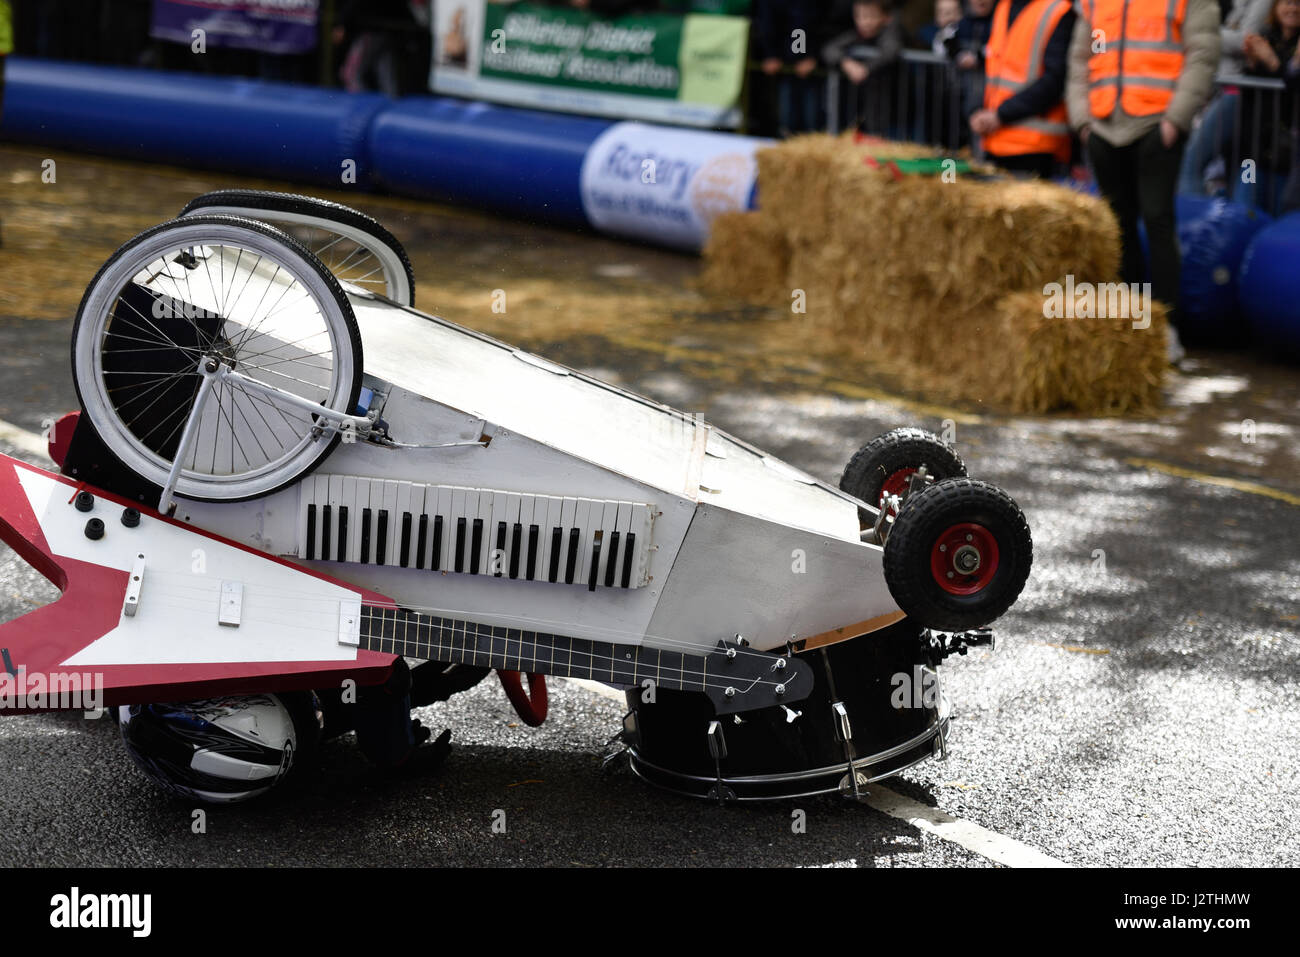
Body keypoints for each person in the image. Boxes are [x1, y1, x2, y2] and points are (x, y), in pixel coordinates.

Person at [1067, 0, 1221, 350]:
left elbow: (1203, 52)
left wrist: (1176, 119)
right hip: (1104, 126)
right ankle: (1127, 322)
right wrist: (1083, 120)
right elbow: (1079, 58)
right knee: (1117, 224)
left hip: (1156, 125)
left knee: (1157, 220)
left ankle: (1165, 328)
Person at [968, 0, 1076, 177]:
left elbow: (1055, 81)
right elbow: (992, 69)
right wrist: (974, 109)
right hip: (995, 139)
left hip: (1035, 146)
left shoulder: (1058, 11)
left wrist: (1001, 114)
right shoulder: (1004, 6)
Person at [1179, 0, 1273, 193]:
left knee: (1192, 162)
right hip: (1217, 91)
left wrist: (1202, 34)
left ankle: (1197, 222)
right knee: (1225, 172)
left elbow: (1245, 40)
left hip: (1238, 95)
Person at [1232, 0, 1300, 211]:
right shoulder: (1265, 39)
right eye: (1287, 3)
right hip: (1252, 152)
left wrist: (1272, 62)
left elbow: (1292, 91)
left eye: (1298, 4)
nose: (1293, 9)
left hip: (1284, 153)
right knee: (1245, 206)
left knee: (1277, 211)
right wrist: (1253, 63)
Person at [823, 0, 906, 131]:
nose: (865, 22)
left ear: (886, 18)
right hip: (865, 102)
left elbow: (891, 51)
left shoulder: (891, 33)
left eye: (871, 16)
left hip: (896, 102)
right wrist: (847, 63)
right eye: (860, 16)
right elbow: (830, 49)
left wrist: (866, 68)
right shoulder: (855, 35)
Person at [753, 0, 826, 136]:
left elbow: (821, 22)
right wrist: (771, 54)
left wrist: (812, 56)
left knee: (811, 123)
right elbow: (766, 22)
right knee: (786, 121)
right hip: (783, 68)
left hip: (812, 70)